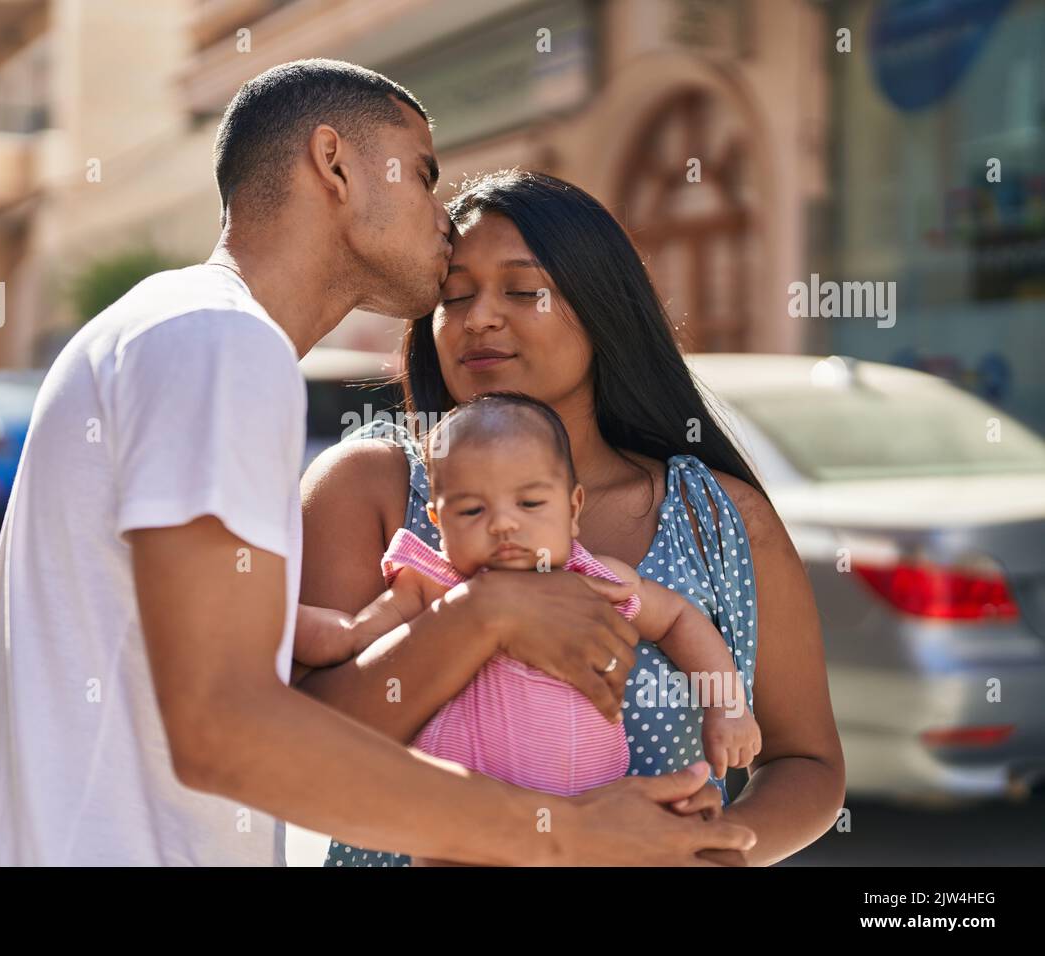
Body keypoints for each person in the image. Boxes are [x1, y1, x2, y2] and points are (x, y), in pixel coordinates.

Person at [0, 61, 754, 866]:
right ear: (333, 163)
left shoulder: (175, 328)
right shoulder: (219, 341)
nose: (445, 218)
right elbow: (223, 730)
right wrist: (566, 835)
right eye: (425, 174)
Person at [296, 169, 844, 867]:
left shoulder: (716, 515)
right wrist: (485, 611)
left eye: (523, 291)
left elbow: (808, 763)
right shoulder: (368, 487)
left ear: (602, 307)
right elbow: (306, 748)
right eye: (454, 295)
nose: (479, 317)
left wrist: (712, 851)